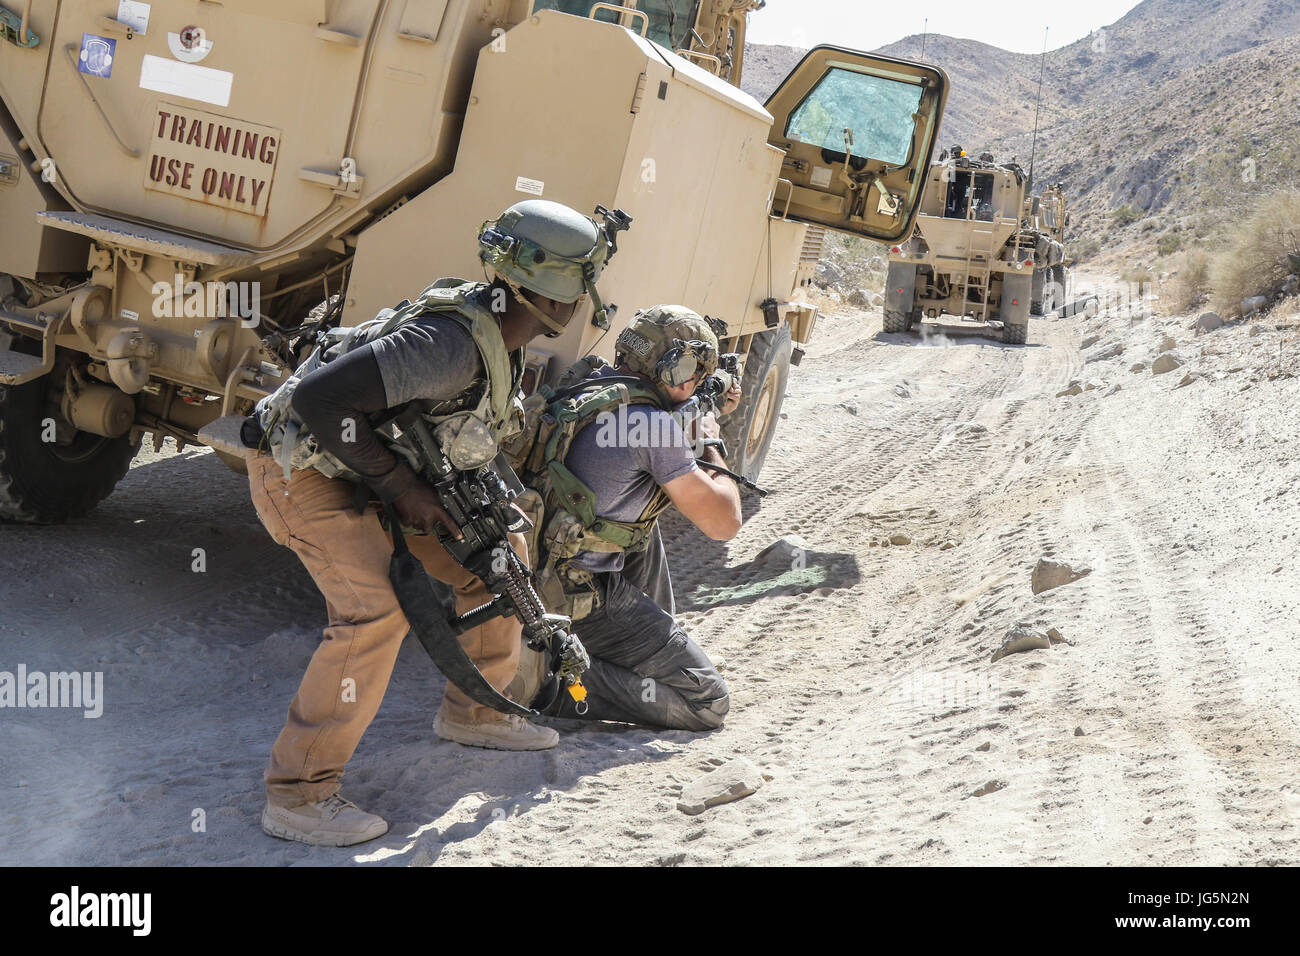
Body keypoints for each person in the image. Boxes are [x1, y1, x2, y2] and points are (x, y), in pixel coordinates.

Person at [244, 199, 622, 846]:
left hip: (367, 465)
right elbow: (319, 399)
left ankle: (477, 711)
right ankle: (299, 795)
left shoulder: (496, 335)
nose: (584, 303)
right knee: (375, 612)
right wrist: (401, 488)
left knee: (499, 552)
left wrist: (475, 504)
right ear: (553, 298)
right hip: (300, 469)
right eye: (581, 287)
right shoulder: (448, 346)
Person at [516, 305, 742, 731]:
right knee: (708, 702)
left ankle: (630, 650)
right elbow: (724, 522)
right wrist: (711, 439)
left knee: (643, 516)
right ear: (679, 371)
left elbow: (633, 445)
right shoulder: (654, 427)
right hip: (577, 598)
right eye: (696, 376)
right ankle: (552, 683)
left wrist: (696, 409)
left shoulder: (587, 386)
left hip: (531, 573)